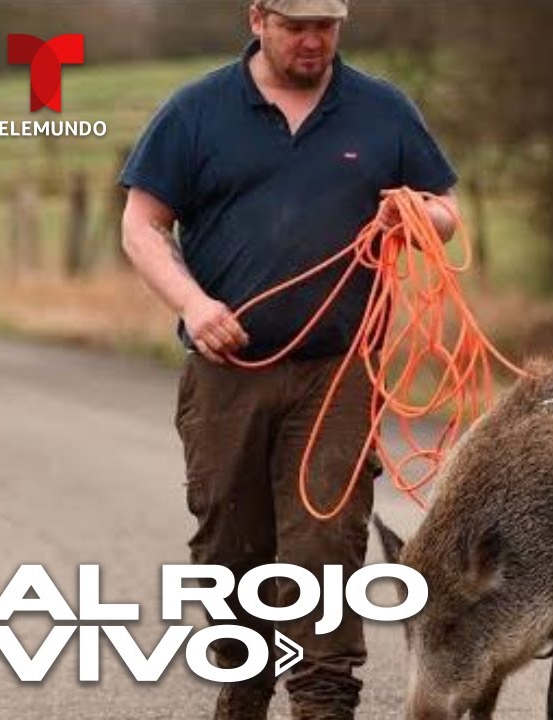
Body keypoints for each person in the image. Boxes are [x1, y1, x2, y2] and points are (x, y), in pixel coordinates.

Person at [118, 1, 458, 717]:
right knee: (229, 540)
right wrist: (193, 305)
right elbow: (142, 225)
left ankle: (323, 698)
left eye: (324, 27)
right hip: (226, 372)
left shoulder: (383, 110)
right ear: (258, 19)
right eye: (295, 26)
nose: (311, 41)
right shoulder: (195, 112)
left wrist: (418, 216)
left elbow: (446, 212)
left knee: (326, 540)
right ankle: (245, 680)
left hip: (339, 369)